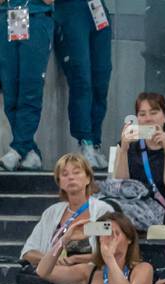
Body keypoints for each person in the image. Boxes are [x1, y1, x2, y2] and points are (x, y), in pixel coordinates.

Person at [18, 154, 113, 284]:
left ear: (88, 178)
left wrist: (75, 260)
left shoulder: (102, 211)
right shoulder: (52, 213)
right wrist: (52, 259)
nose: (71, 178)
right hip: (48, 277)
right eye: (65, 174)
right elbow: (28, 252)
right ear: (60, 183)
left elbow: (112, 252)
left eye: (76, 172)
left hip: (83, 279)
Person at [52, 0, 113, 170]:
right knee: (82, 79)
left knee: (101, 77)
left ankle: (95, 142)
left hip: (97, 8)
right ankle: (85, 141)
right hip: (71, 10)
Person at [112, 92, 165, 220]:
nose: (148, 118)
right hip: (133, 211)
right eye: (142, 114)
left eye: (154, 113)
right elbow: (121, 186)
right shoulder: (127, 145)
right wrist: (124, 150)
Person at [0, 0, 54, 172]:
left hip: (35, 17)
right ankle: (29, 151)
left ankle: (17, 149)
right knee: (10, 91)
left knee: (30, 88)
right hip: (9, 16)